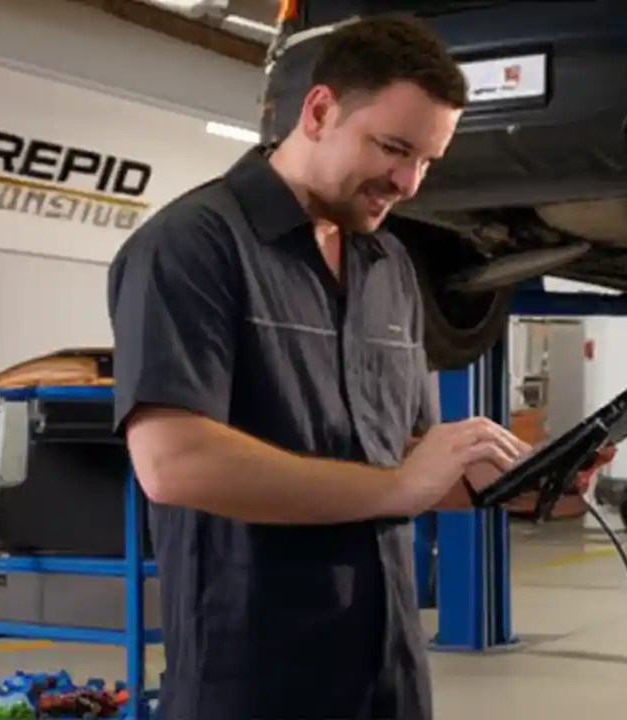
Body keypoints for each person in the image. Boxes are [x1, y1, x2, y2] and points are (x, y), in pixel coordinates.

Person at [105, 15, 532, 720]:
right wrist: (399, 486)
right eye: (393, 148)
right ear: (319, 111)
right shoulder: (192, 246)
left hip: (388, 672)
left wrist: (519, 483)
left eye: (427, 162)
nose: (408, 182)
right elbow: (174, 463)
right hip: (254, 681)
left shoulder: (390, 265)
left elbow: (402, 460)